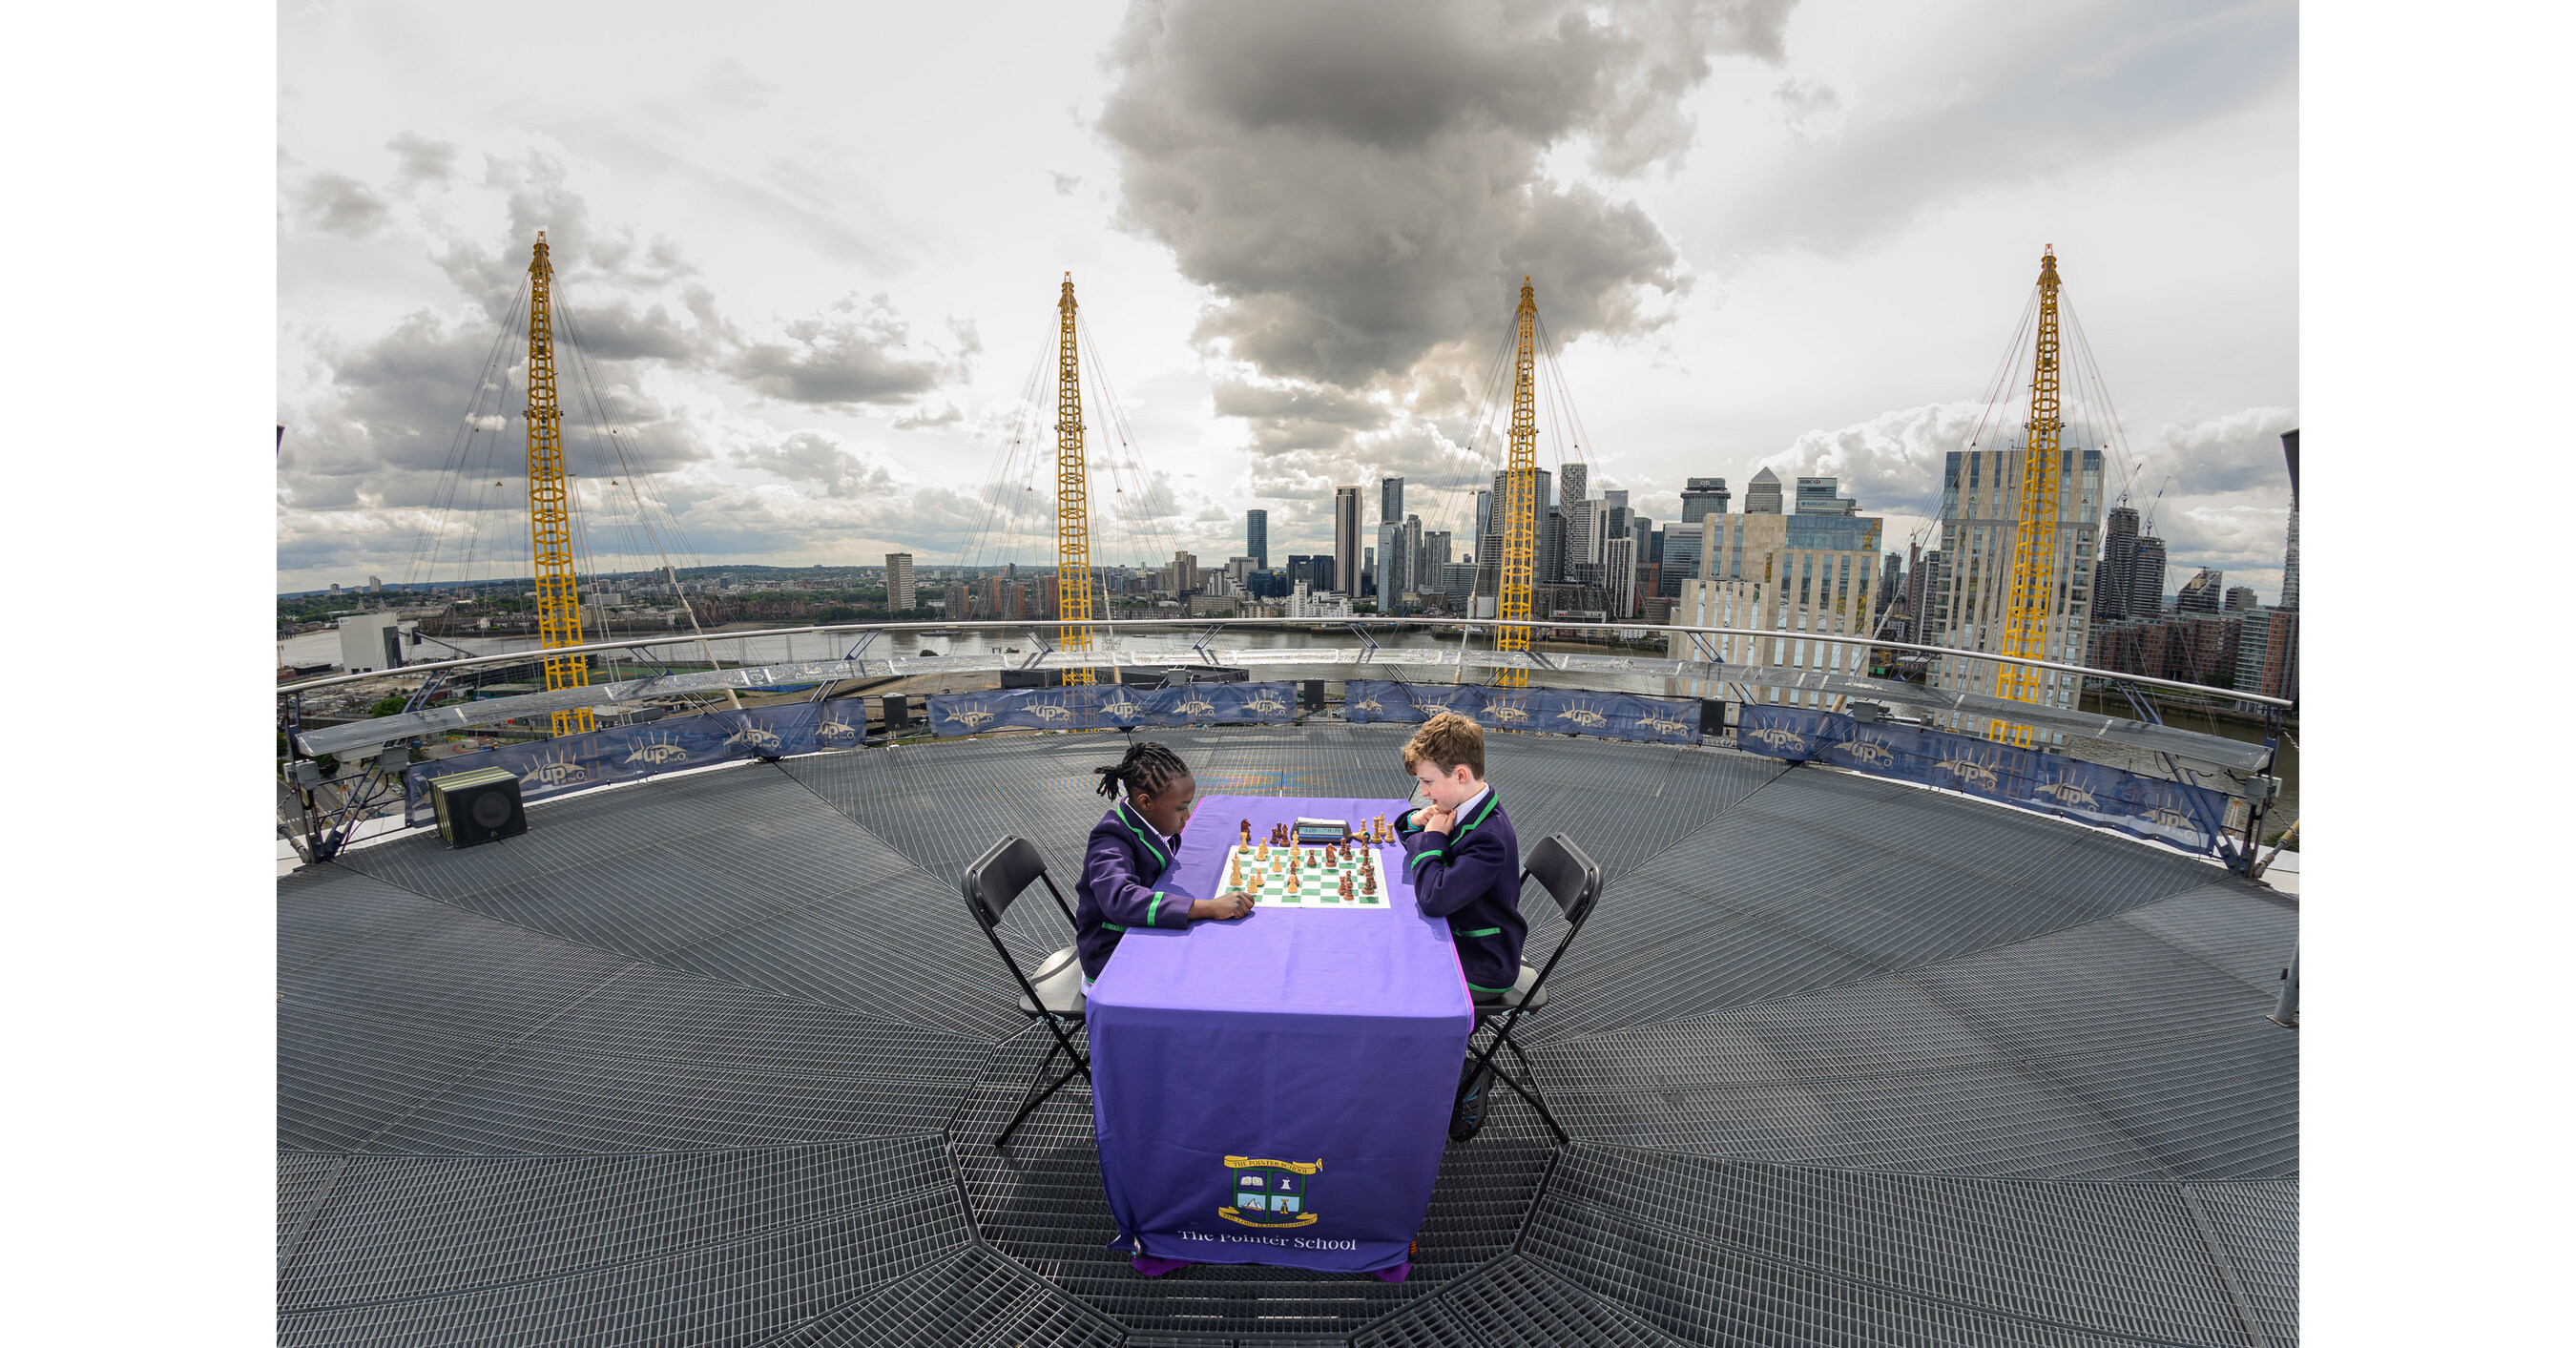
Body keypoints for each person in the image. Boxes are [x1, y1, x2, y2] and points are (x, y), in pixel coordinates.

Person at [1391, 712, 1523, 1140]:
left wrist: (1431, 839)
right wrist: (1419, 824)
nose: (1423, 792)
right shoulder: (1461, 808)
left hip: (1483, 960)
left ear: (1461, 774)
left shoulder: (1489, 835)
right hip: (1460, 934)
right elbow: (1413, 840)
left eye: (1428, 783)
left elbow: (1434, 898)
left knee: (1394, 983)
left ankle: (1466, 1071)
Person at [1076, 741, 1255, 987]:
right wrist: (1208, 907)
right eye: (1180, 808)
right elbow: (1121, 901)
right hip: (1112, 954)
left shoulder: (1147, 821)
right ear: (1145, 802)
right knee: (1214, 972)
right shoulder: (1109, 839)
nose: (1188, 815)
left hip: (1142, 933)